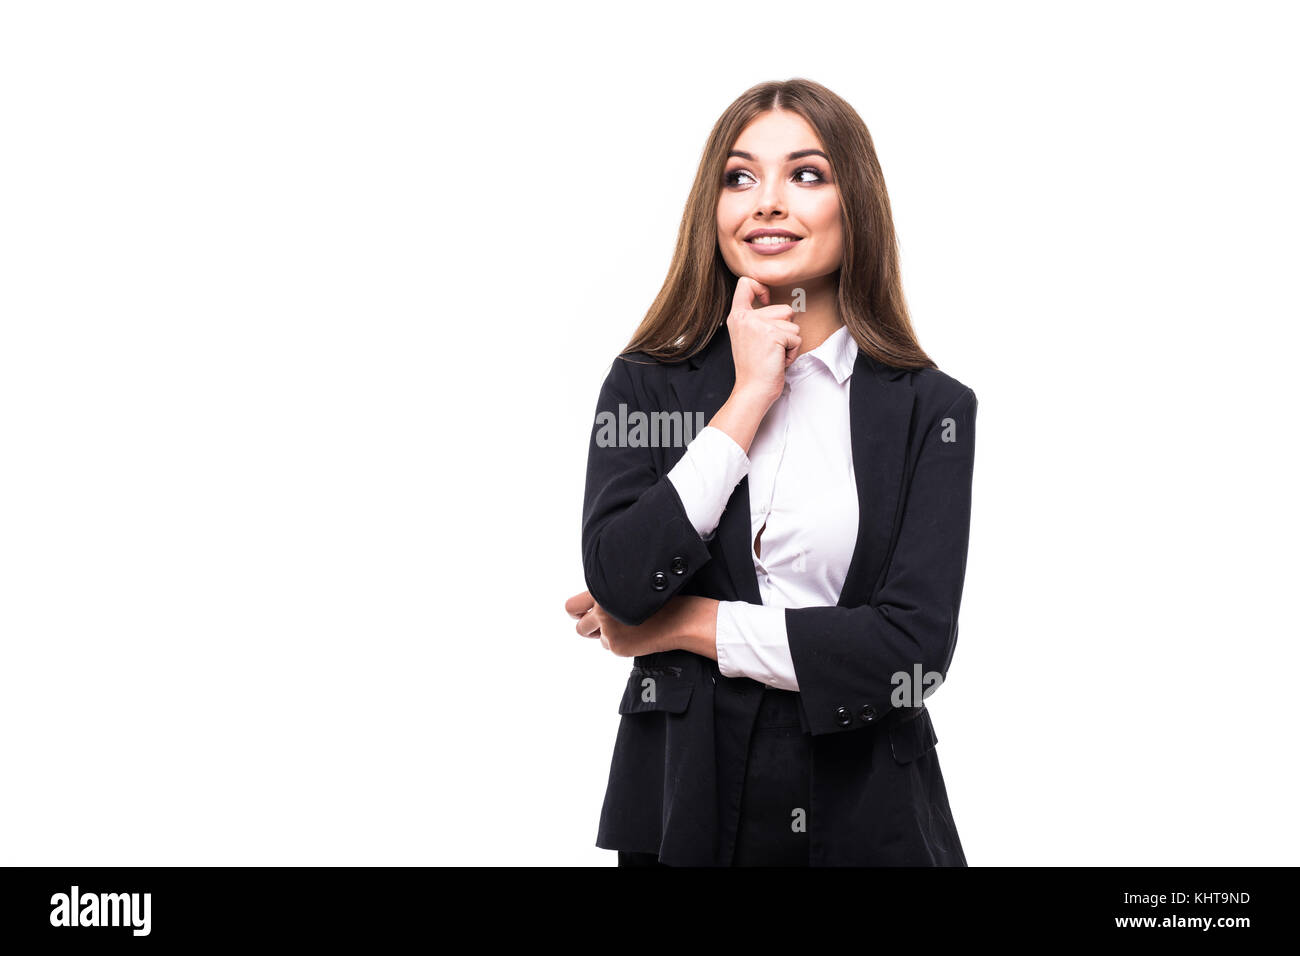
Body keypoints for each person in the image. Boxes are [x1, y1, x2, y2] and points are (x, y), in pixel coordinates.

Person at [565, 78, 976, 866]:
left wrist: (688, 625)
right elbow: (620, 580)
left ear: (855, 205)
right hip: (684, 802)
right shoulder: (647, 384)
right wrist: (748, 396)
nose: (767, 202)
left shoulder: (931, 408)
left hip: (869, 813)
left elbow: (913, 652)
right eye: (740, 176)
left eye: (807, 175)